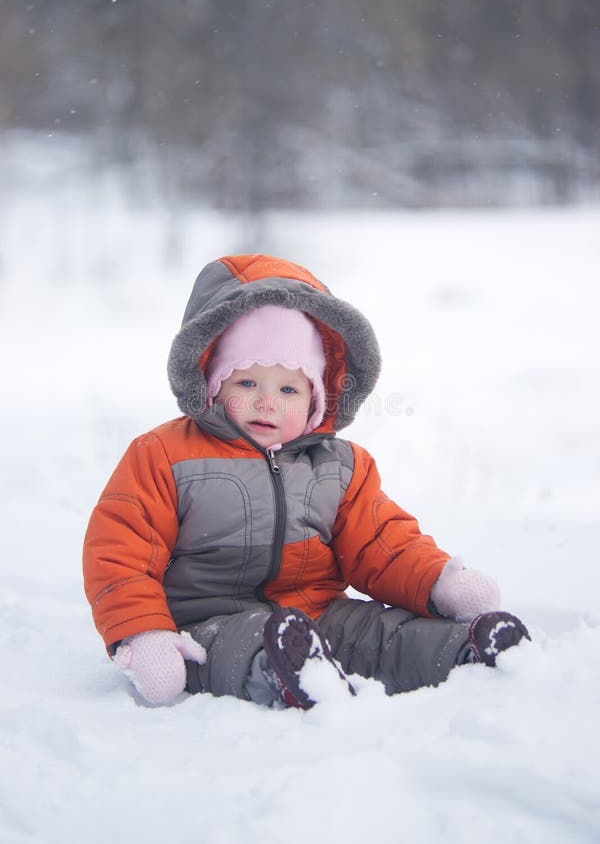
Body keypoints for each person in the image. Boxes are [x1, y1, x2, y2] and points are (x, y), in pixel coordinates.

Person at [83, 253, 530, 708]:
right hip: (204, 619)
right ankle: (282, 674)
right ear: (214, 385)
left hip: (316, 612)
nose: (267, 403)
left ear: (318, 399)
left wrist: (436, 579)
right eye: (247, 384)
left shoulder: (340, 465)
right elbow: (121, 552)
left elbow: (383, 542)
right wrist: (143, 631)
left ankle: (462, 651)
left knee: (377, 632)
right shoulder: (164, 455)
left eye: (288, 389)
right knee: (234, 648)